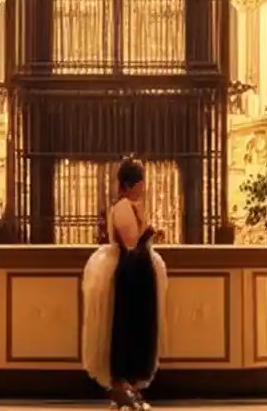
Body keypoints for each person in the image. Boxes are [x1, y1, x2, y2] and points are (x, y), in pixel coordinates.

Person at [82, 158, 167, 410]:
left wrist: (150, 230)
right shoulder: (121, 207)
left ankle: (131, 385)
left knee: (141, 328)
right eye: (142, 182)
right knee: (125, 328)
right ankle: (120, 387)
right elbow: (131, 242)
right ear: (135, 184)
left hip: (139, 273)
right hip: (129, 274)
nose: (144, 188)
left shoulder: (132, 206)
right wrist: (149, 231)